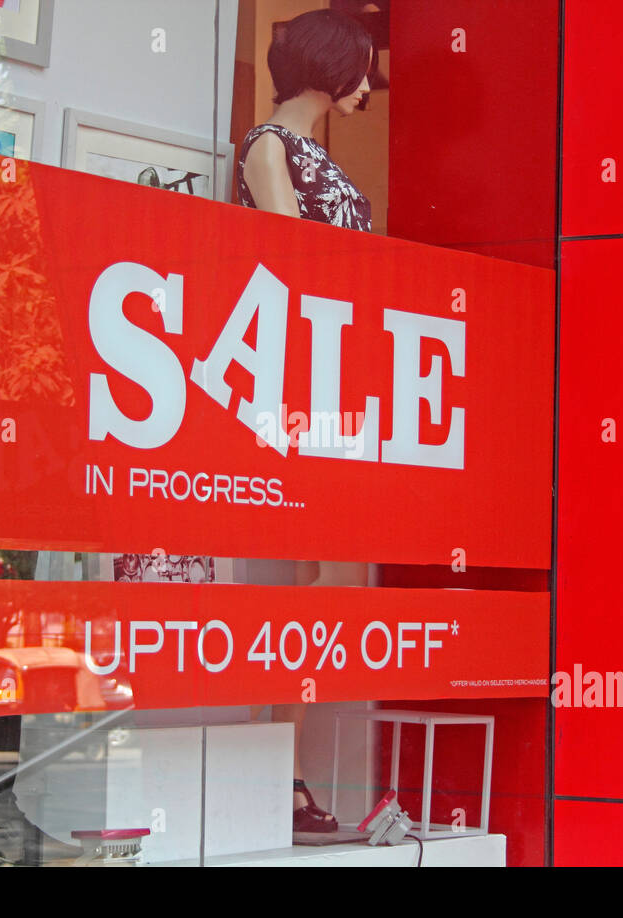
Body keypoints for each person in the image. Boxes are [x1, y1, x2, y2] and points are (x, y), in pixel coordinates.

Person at [237, 8, 376, 833]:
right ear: (330, 66)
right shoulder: (269, 147)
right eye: (359, 68)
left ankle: (281, 768)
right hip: (293, 387)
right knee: (298, 577)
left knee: (319, 580)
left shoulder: (318, 155)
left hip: (337, 383)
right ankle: (275, 772)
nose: (367, 86)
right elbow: (289, 264)